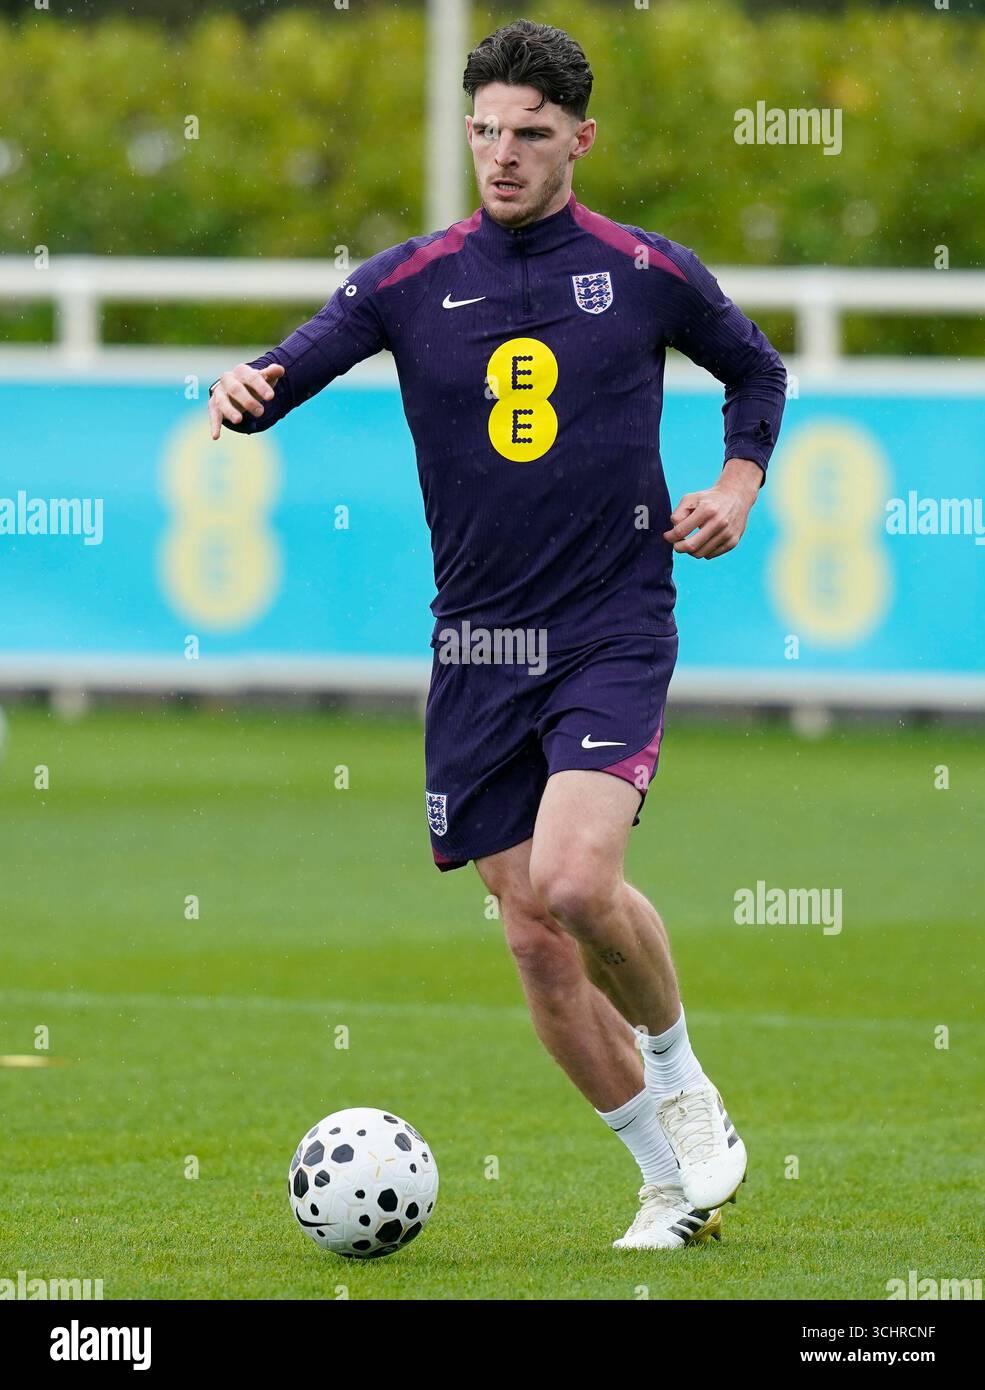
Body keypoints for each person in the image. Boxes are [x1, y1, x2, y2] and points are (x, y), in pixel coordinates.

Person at [209, 18, 787, 1250]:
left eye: (531, 134)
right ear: (467, 130)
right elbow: (287, 369)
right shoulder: (408, 282)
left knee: (579, 881)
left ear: (581, 139)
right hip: (476, 645)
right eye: (486, 132)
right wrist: (241, 389)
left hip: (609, 623)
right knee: (530, 931)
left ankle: (684, 1084)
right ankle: (665, 1185)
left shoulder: (643, 270)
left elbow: (757, 372)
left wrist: (736, 486)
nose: (505, 155)